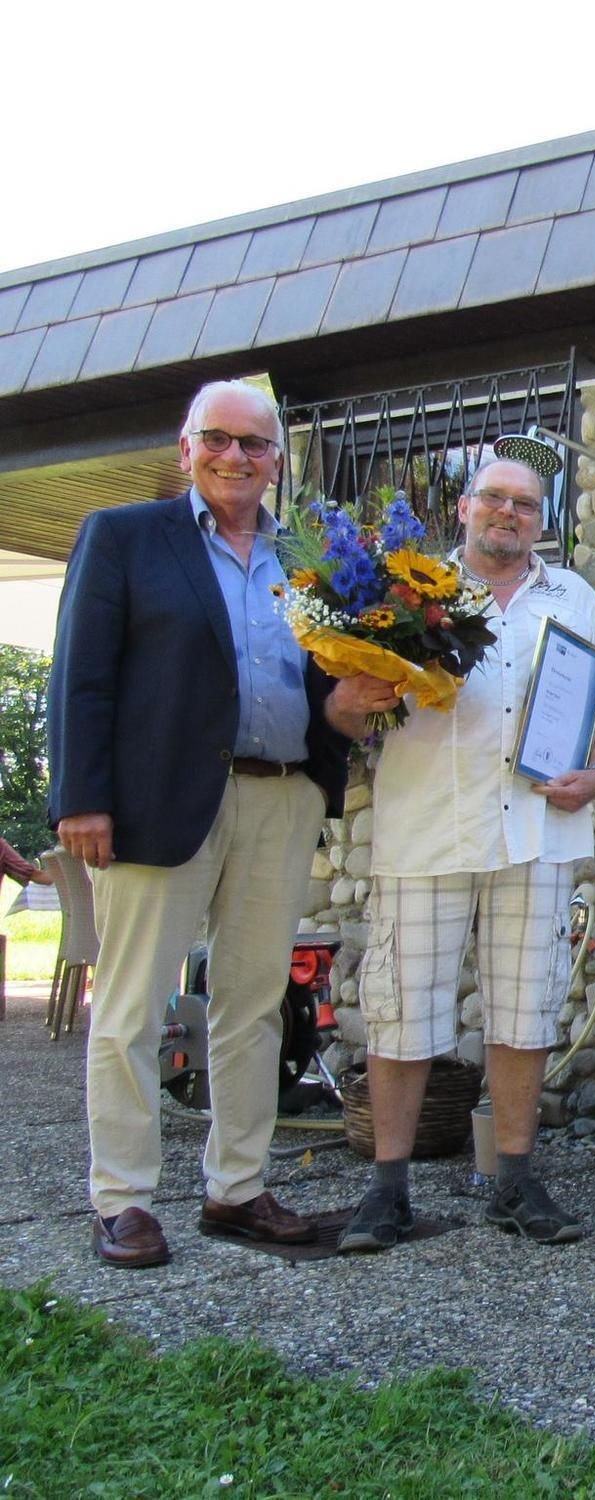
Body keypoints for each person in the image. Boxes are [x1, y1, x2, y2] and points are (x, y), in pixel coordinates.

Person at [47, 380, 387, 1269]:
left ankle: (236, 1189)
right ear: (186, 446)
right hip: (160, 801)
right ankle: (121, 1199)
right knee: (133, 1006)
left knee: (253, 1004)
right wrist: (81, 797)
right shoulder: (125, 538)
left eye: (256, 446)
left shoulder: (307, 561)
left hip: (281, 796)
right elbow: (81, 674)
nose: (237, 458)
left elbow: (326, 682)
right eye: (220, 440)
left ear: (278, 460)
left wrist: (351, 708)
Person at [339, 456, 595, 1252]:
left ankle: (513, 1181)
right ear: (463, 508)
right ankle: (388, 1191)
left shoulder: (574, 597)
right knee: (402, 1012)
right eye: (494, 498)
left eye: (526, 504)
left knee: (526, 1010)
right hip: (427, 828)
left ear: (543, 519)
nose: (508, 513)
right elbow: (351, 715)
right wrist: (357, 700)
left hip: (535, 833)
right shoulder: (407, 590)